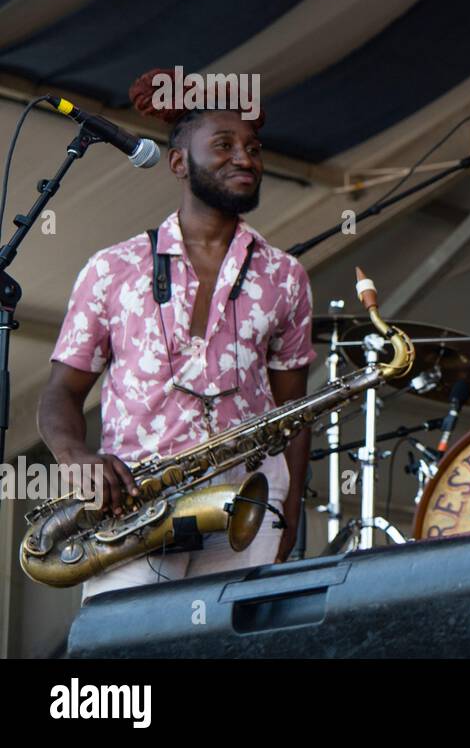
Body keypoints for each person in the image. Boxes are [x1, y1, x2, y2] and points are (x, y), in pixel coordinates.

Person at [39, 68, 316, 600]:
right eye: (224, 144)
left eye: (253, 148)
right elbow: (60, 392)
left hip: (248, 493)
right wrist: (76, 459)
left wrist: (288, 510)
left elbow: (294, 412)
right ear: (177, 163)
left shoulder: (286, 276)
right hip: (135, 501)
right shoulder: (111, 267)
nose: (245, 158)